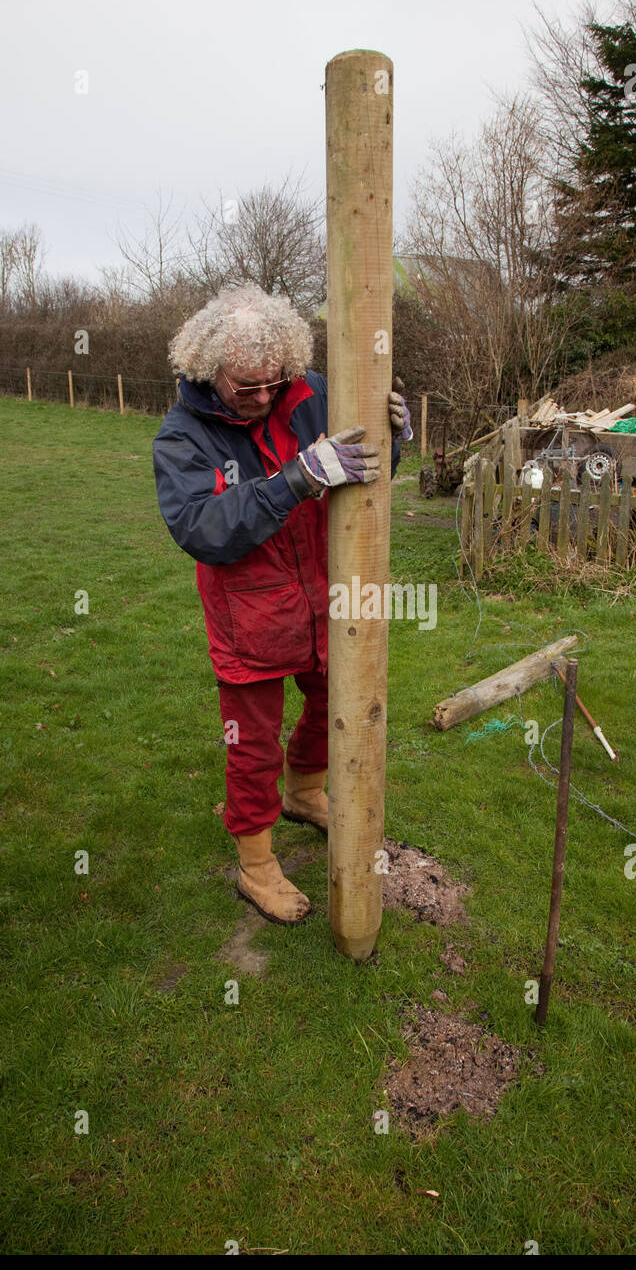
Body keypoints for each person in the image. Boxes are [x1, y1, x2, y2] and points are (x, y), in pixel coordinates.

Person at [153, 283, 412, 926]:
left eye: (275, 382)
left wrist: (393, 436)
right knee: (253, 743)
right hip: (251, 614)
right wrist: (297, 478)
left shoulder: (314, 392)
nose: (265, 397)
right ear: (210, 371)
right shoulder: (184, 436)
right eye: (247, 388)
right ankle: (257, 863)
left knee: (336, 704)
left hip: (326, 598)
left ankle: (302, 793)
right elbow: (202, 529)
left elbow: (361, 466)